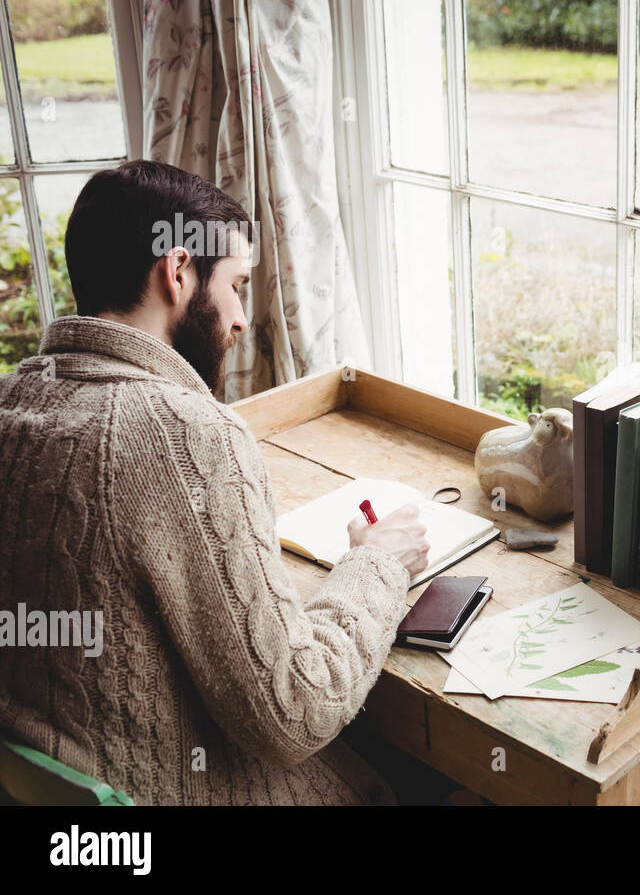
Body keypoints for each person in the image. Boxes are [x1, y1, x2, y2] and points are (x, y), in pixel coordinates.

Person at [0, 160, 429, 804]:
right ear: (177, 273)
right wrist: (377, 567)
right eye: (235, 284)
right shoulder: (186, 434)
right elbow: (295, 712)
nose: (238, 317)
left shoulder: (11, 402)